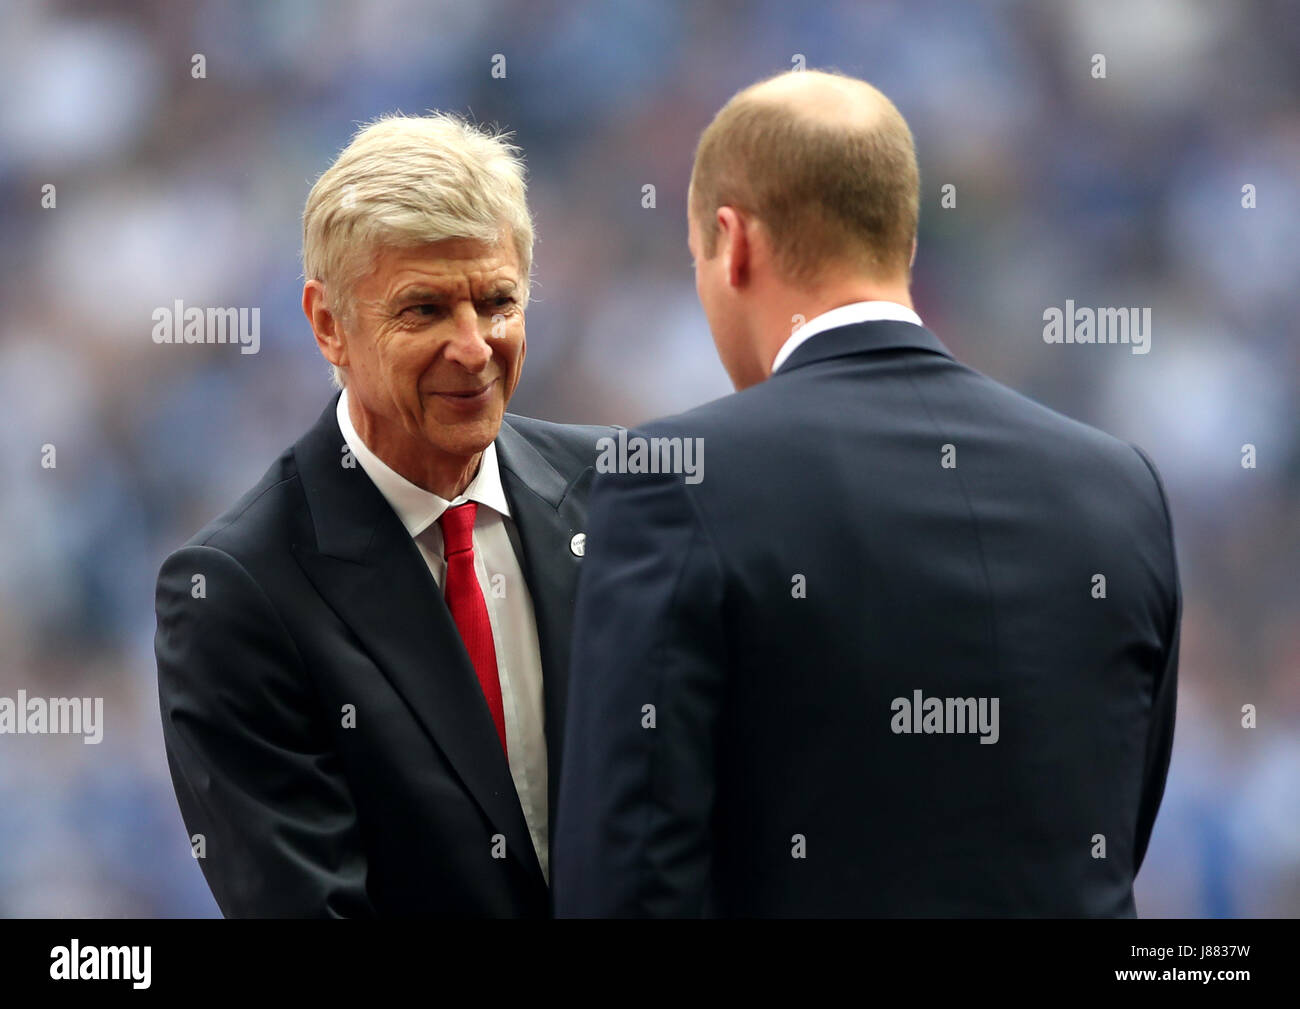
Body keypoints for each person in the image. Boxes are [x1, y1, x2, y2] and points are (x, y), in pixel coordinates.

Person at [553, 70, 1180, 917]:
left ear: (732, 243)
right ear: (906, 246)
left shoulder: (671, 478)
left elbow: (626, 883)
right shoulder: (1120, 488)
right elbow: (1116, 827)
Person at [155, 112, 611, 916]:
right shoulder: (236, 593)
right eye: (424, 310)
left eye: (498, 301)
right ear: (329, 324)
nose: (474, 346)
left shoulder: (624, 500)